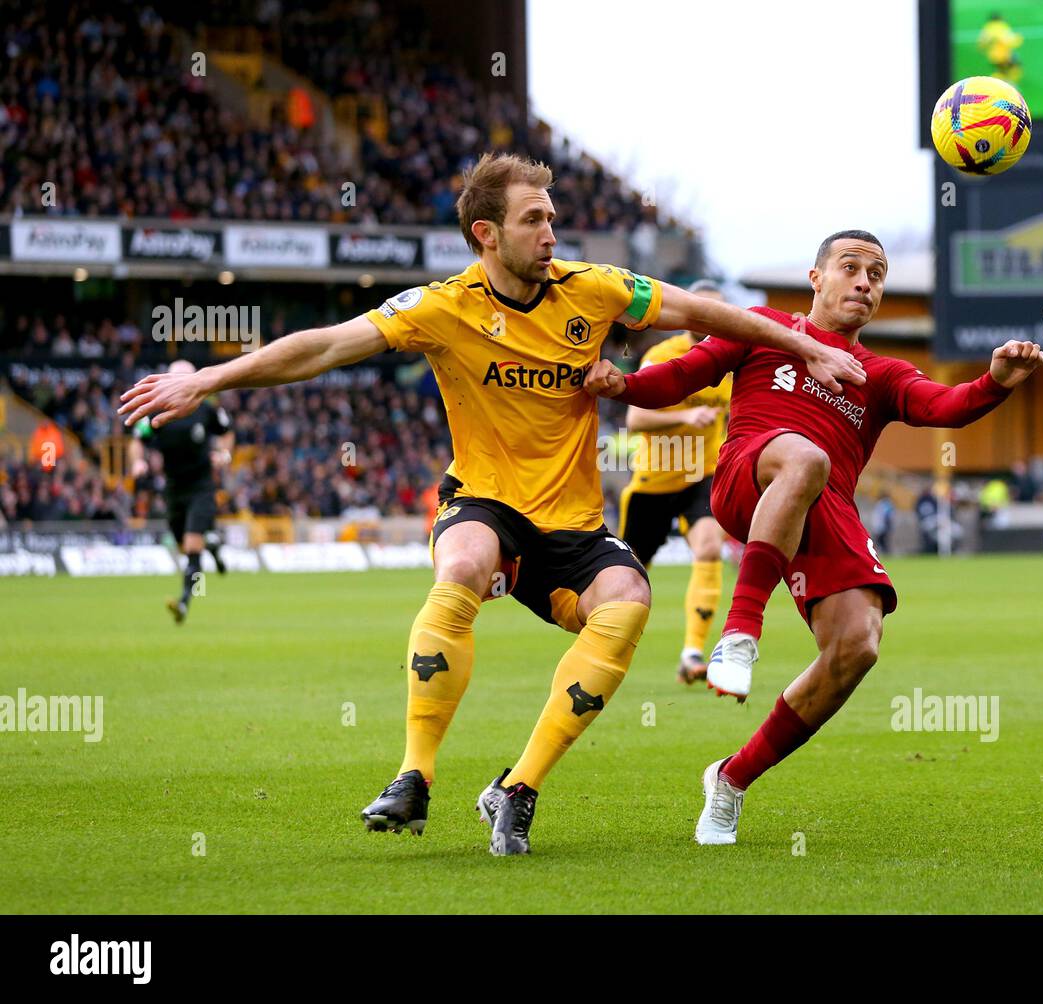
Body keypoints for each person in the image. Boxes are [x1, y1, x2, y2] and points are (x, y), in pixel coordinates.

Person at [118, 153, 864, 856]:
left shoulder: (596, 288)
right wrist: (209, 379)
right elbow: (322, 347)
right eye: (534, 220)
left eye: (551, 217)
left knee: (630, 597)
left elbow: (714, 313)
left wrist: (804, 346)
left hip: (571, 521)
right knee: (466, 564)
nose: (550, 233)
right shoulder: (440, 308)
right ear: (487, 234)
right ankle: (414, 775)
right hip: (481, 499)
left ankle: (519, 788)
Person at [584, 230, 1043, 843]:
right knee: (805, 458)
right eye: (850, 268)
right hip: (749, 474)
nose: (865, 282)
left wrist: (995, 381)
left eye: (876, 274)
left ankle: (731, 779)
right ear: (816, 278)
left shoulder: (880, 374)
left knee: (858, 646)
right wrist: (624, 387)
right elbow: (681, 377)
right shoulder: (761, 328)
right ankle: (739, 633)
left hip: (825, 509)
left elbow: (947, 406)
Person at [618, 279, 732, 685]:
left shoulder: (730, 362)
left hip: (701, 477)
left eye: (720, 309)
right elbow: (636, 418)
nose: (713, 316)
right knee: (628, 577)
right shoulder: (663, 356)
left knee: (709, 548)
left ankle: (693, 653)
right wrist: (683, 417)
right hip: (654, 482)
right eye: (704, 307)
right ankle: (607, 647)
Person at [128, 360, 233, 624]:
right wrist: (137, 461)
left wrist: (223, 452)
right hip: (174, 489)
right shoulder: (156, 414)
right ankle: (212, 545)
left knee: (192, 546)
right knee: (184, 546)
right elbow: (137, 441)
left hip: (202, 487)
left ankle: (184, 601)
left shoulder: (207, 410)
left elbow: (227, 431)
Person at [977, 11, 1024, 82]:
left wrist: (984, 47)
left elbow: (982, 42)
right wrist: (1018, 39)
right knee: (1014, 68)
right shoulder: (1002, 26)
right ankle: (1009, 84)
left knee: (1001, 70)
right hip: (1005, 54)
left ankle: (999, 82)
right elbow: (1008, 40)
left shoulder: (988, 27)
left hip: (993, 56)